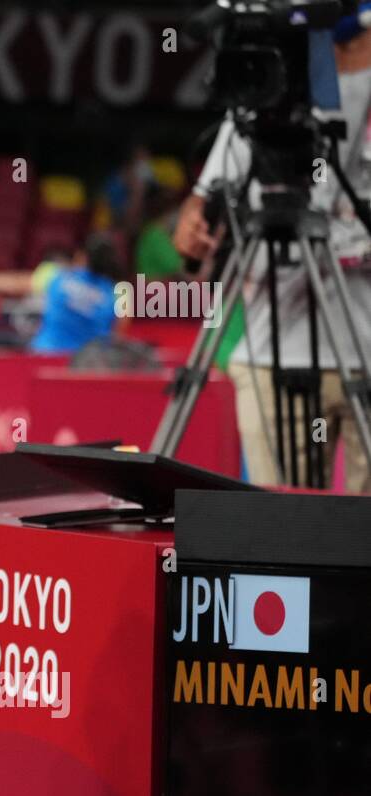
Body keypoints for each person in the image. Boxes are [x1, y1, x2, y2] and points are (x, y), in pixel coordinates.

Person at [173, 13, 371, 491]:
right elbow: (193, 226)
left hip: (366, 353)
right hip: (272, 358)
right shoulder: (264, 99)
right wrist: (197, 224)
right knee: (286, 541)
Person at [27, 233, 128, 355]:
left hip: (43, 354)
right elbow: (117, 334)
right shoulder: (117, 294)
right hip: (83, 366)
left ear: (82, 256)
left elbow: (20, 284)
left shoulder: (57, 275)